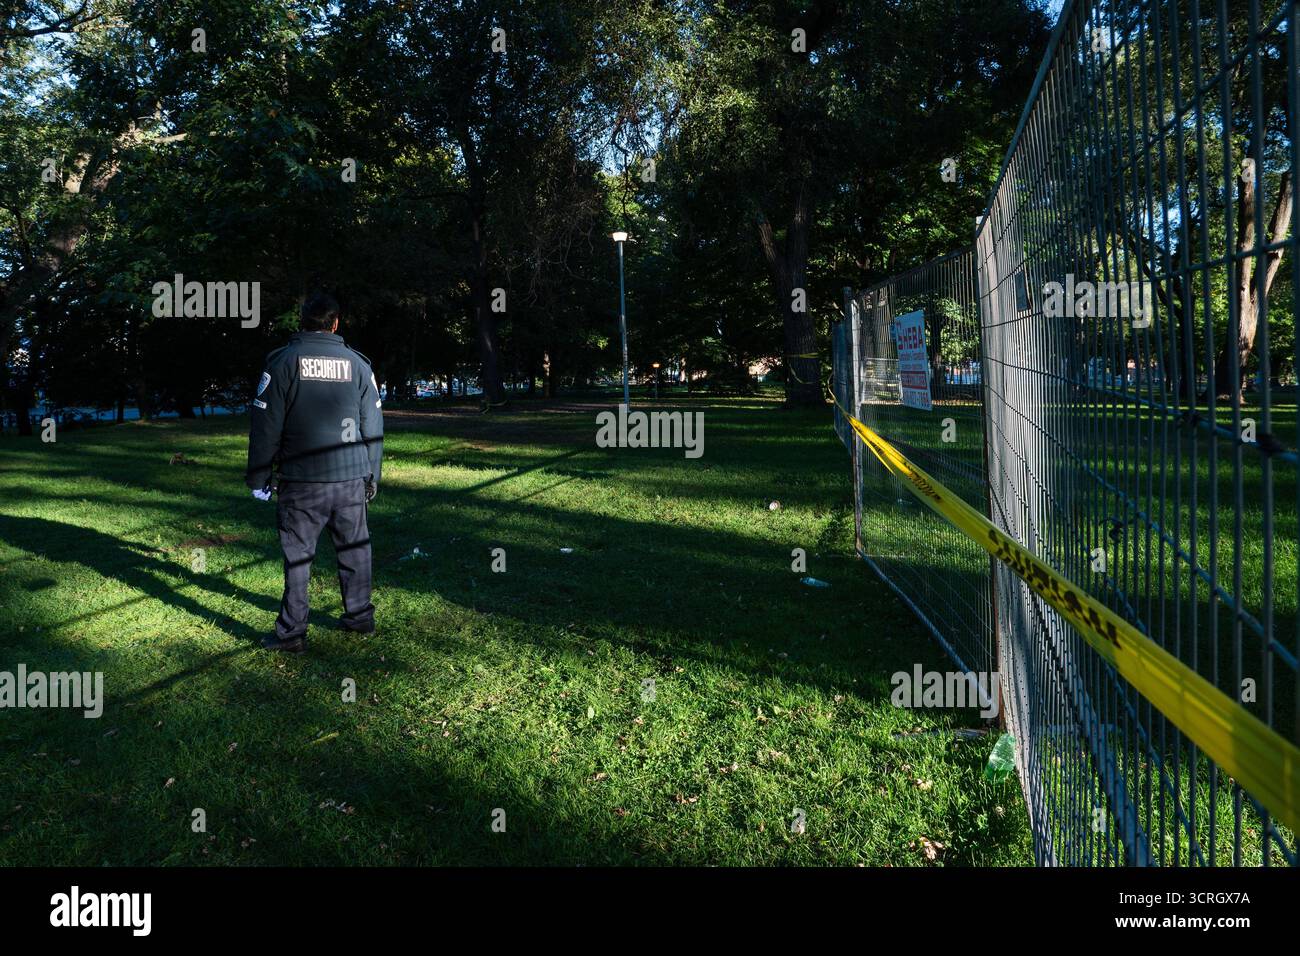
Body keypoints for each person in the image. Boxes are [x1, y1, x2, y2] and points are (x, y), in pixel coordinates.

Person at [246, 292, 384, 653]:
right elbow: (373, 424)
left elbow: (265, 426)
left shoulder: (282, 361)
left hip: (302, 480)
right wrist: (372, 475)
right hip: (351, 477)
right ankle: (360, 618)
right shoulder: (358, 365)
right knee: (355, 551)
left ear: (302, 320)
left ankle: (292, 634)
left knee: (298, 558)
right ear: (336, 323)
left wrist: (258, 477)